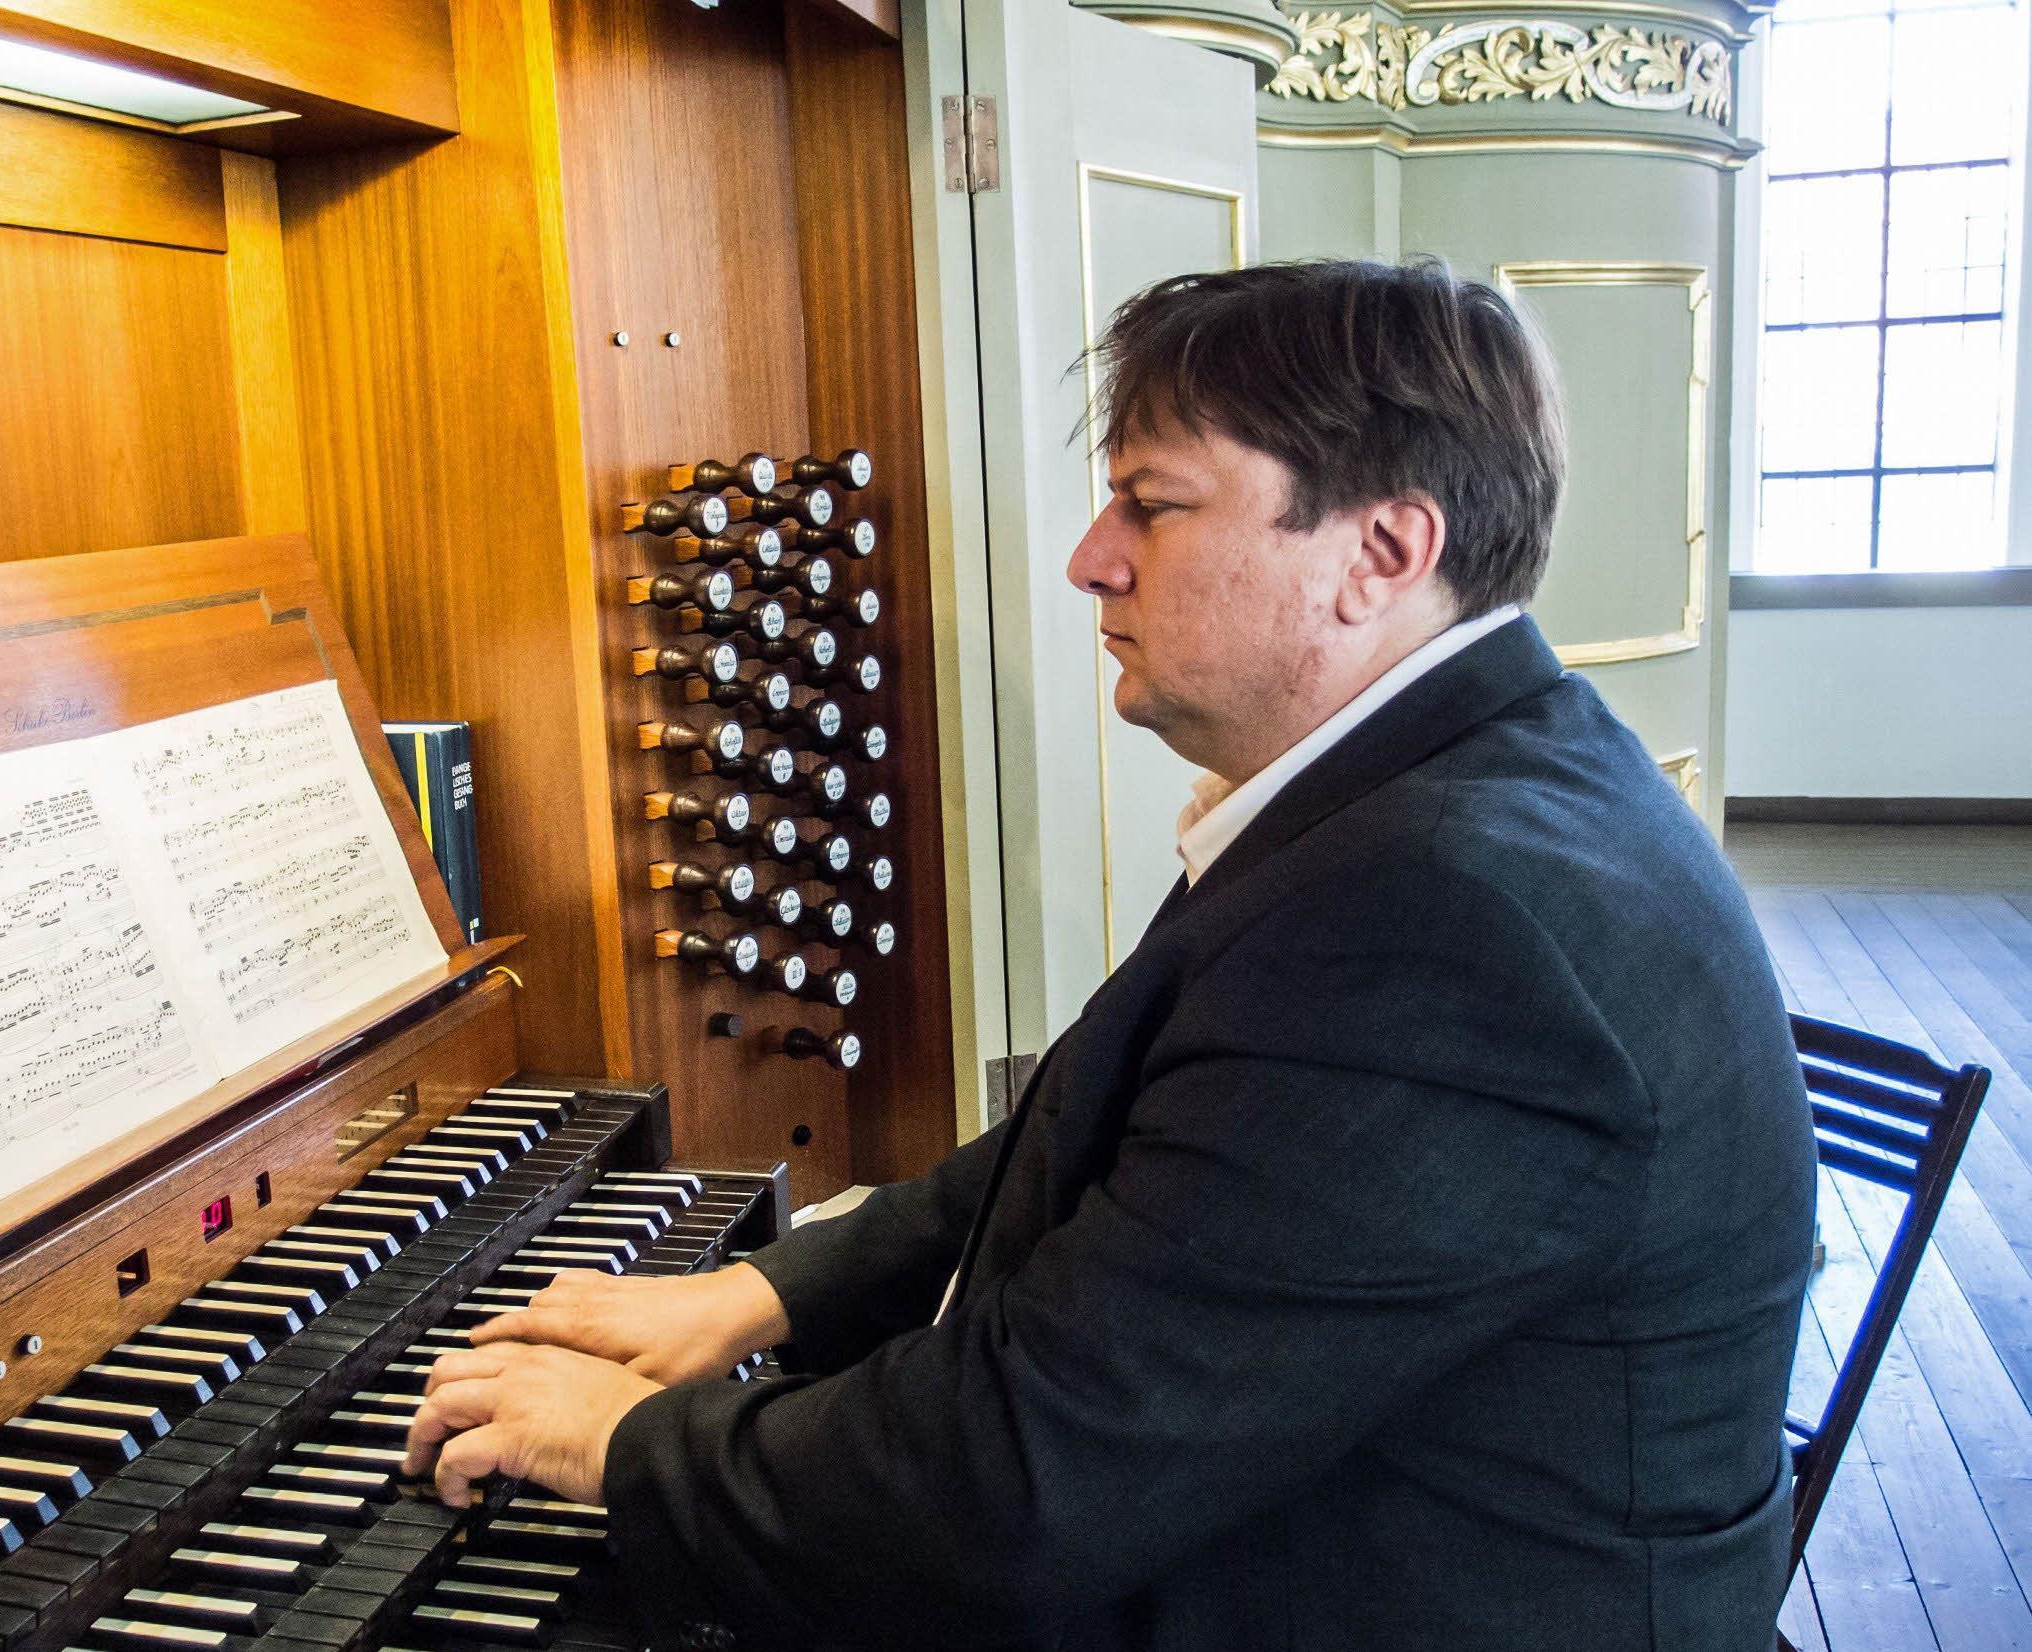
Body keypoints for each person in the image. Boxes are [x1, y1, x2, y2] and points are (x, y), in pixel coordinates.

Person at [403, 258, 1818, 1651]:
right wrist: (761, 1292)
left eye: (1154, 502)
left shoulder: (1446, 917)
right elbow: (1115, 1142)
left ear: (1380, 554)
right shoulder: (1456, 788)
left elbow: (1007, 1498)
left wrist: (637, 1444)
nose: (1093, 557)